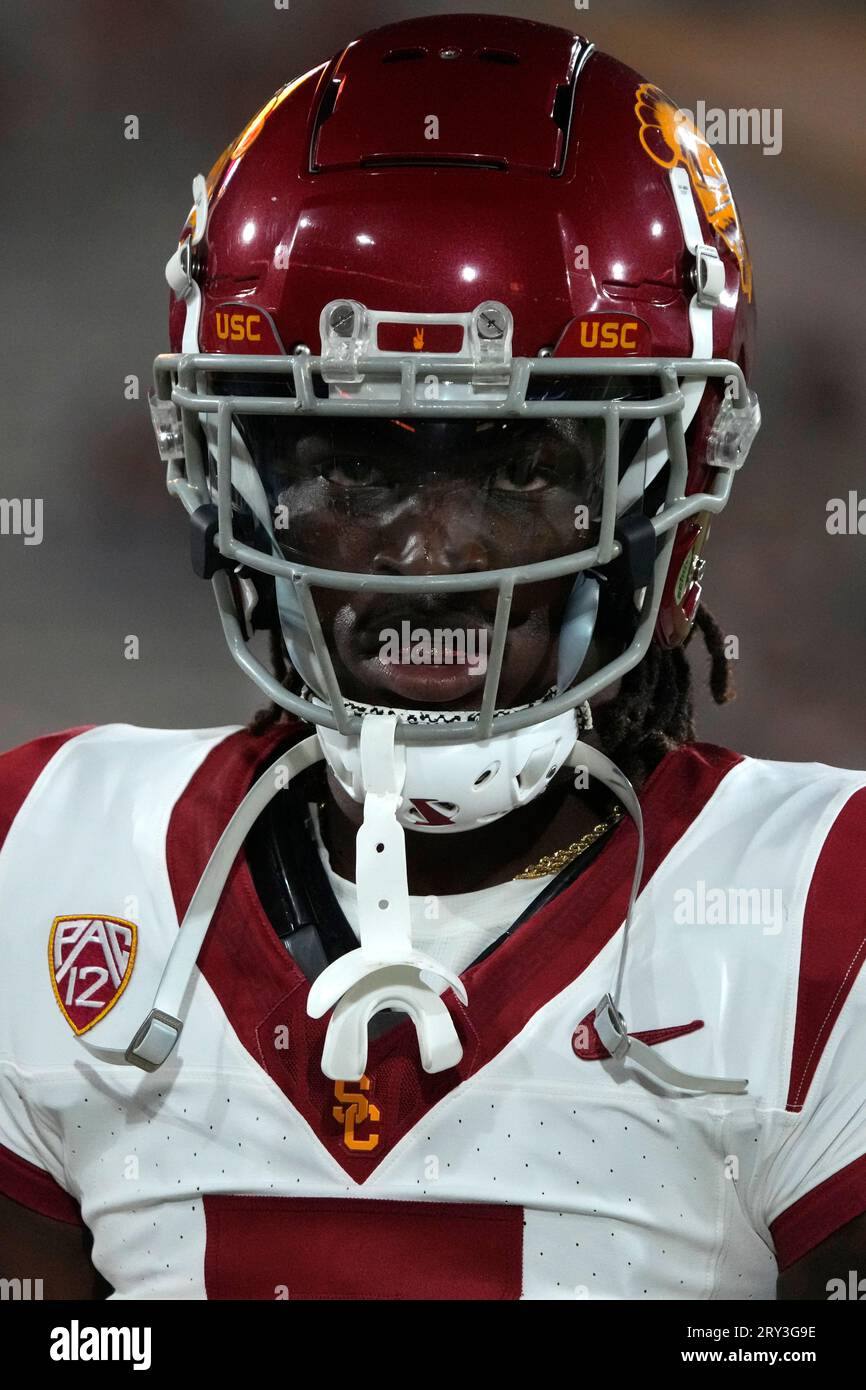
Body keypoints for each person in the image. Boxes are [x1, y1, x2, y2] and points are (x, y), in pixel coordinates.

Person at [1, 12, 863, 1301]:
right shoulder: (48, 855)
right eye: (351, 462)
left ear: (671, 480)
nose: (424, 557)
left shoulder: (816, 914)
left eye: (520, 469)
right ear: (228, 479)